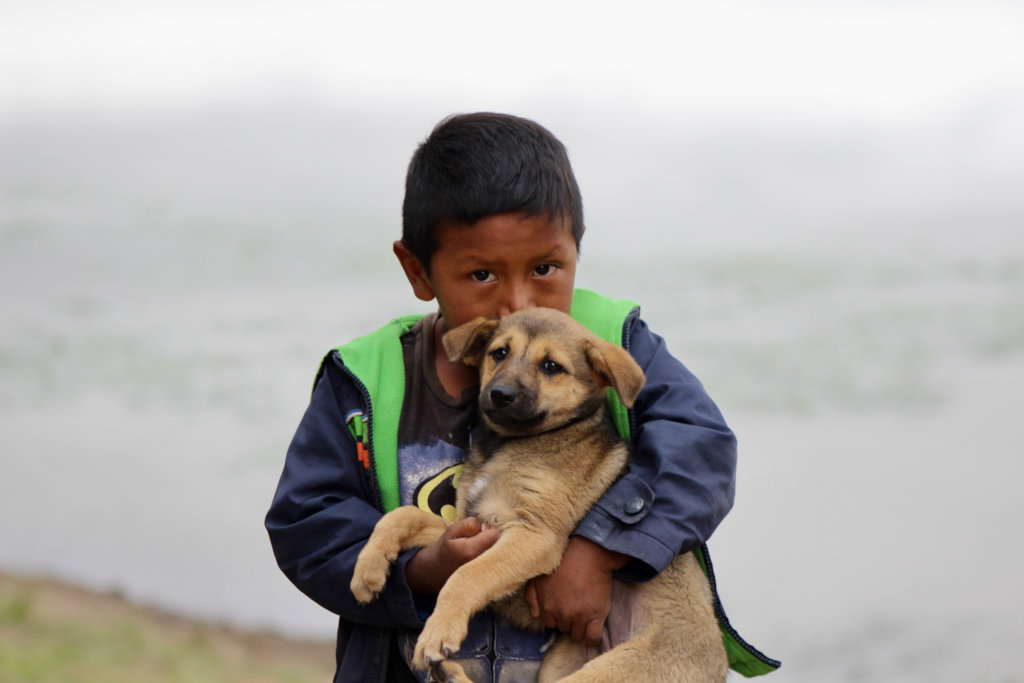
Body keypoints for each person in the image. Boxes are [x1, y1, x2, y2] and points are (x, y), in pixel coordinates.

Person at [266, 112, 775, 682]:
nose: (516, 302)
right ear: (418, 270)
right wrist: (419, 567)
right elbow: (306, 522)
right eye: (482, 275)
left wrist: (598, 549)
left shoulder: (612, 339)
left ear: (577, 251)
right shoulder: (364, 377)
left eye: (545, 268)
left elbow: (700, 449)